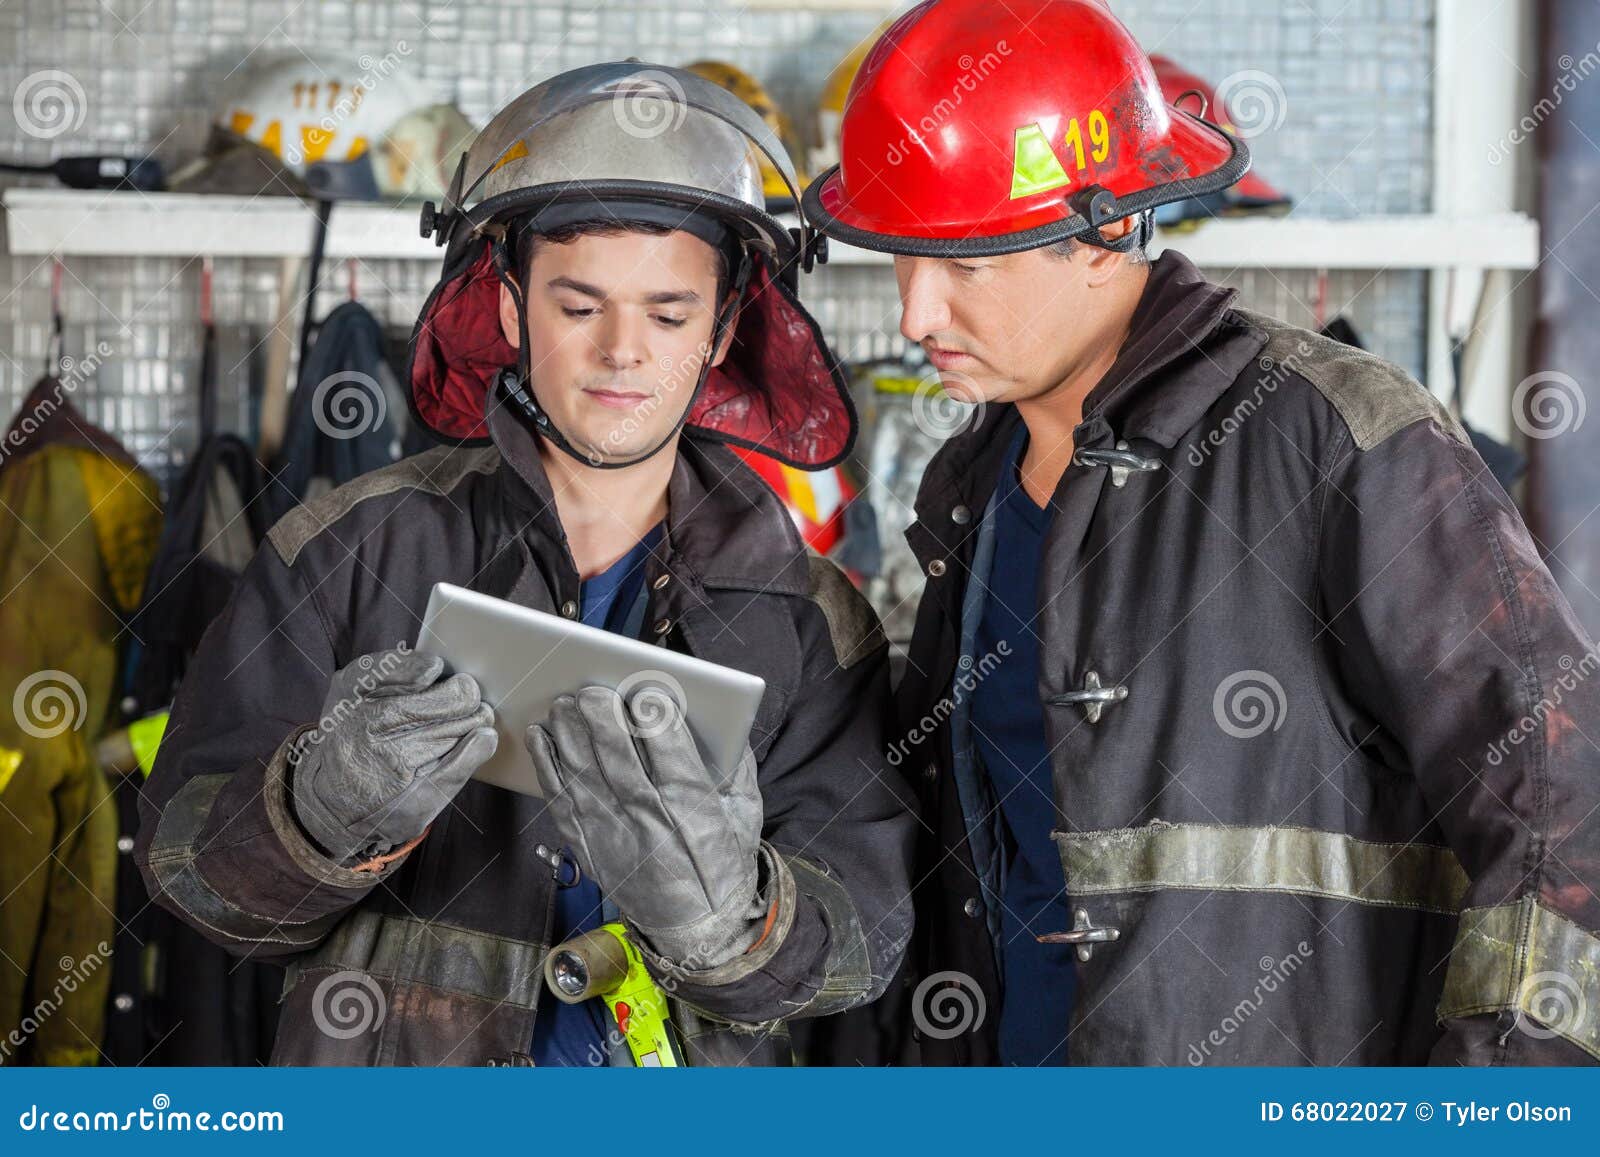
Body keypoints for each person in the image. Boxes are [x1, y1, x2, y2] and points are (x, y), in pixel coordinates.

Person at [804, 0, 1600, 1065]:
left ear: (1102, 232)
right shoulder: (973, 489)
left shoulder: (1330, 437)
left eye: (965, 265)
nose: (915, 314)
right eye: (902, 258)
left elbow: (1561, 797)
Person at [137, 61, 915, 1067]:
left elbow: (867, 942)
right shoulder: (352, 549)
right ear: (507, 307)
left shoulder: (808, 617)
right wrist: (315, 811)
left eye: (670, 315)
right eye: (577, 306)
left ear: (724, 328)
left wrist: (736, 913)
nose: (623, 352)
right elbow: (191, 878)